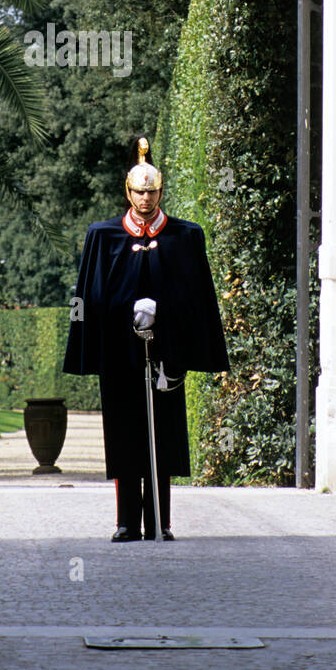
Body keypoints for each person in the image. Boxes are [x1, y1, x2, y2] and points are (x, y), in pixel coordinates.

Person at [63, 136, 229, 541]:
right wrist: (124, 314)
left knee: (163, 437)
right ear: (128, 192)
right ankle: (125, 522)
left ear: (160, 192)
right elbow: (87, 299)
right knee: (124, 436)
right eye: (139, 192)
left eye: (152, 192)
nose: (145, 199)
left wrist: (164, 313)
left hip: (166, 354)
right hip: (120, 354)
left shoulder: (185, 237)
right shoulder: (103, 237)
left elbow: (197, 299)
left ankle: (160, 521)